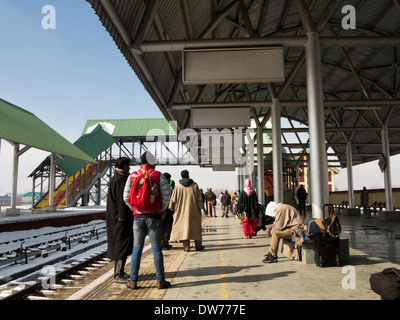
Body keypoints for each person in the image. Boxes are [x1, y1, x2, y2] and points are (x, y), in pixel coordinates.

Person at [123, 152, 172, 290]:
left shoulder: (132, 176)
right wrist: (159, 210)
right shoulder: (158, 176)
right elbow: (167, 196)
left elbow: (126, 197)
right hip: (154, 217)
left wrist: (136, 209)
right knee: (156, 249)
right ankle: (160, 281)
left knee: (137, 248)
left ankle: (133, 281)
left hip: (137, 218)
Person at [106, 157, 133, 283]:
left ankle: (121, 271)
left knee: (123, 245)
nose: (130, 168)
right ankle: (117, 274)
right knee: (120, 246)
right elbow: (122, 201)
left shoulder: (117, 178)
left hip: (119, 218)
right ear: (124, 166)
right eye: (128, 166)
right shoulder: (119, 180)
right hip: (120, 219)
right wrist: (125, 217)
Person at [168, 170, 204, 252]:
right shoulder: (195, 185)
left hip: (181, 212)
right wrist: (200, 207)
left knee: (184, 229)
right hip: (194, 211)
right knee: (196, 228)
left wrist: (171, 207)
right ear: (188, 175)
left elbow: (173, 199)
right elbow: (199, 199)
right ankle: (198, 246)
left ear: (181, 176)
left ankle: (186, 247)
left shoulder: (178, 186)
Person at [161, 172, 174, 250]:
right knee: (166, 225)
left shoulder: (159, 186)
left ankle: (164, 242)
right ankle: (164, 243)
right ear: (168, 179)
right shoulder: (166, 187)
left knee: (163, 225)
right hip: (166, 209)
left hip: (161, 209)